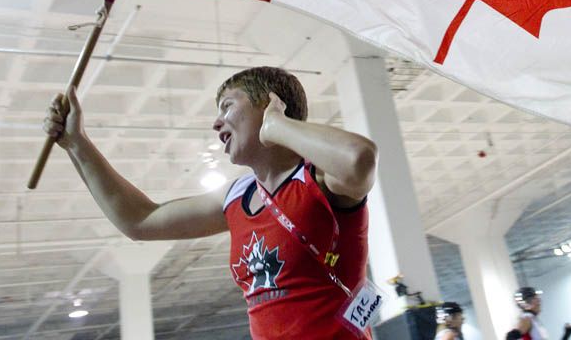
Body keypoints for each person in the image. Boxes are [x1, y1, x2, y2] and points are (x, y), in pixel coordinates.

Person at [43, 66, 378, 340]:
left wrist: (277, 125)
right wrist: (77, 144)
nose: (216, 123)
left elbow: (359, 159)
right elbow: (140, 220)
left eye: (227, 106)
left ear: (269, 104)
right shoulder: (236, 197)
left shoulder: (318, 178)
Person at [505, 286, 571, 340]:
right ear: (527, 302)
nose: (539, 301)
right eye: (536, 298)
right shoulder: (526, 318)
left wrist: (567, 334)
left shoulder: (533, 319)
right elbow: (511, 337)